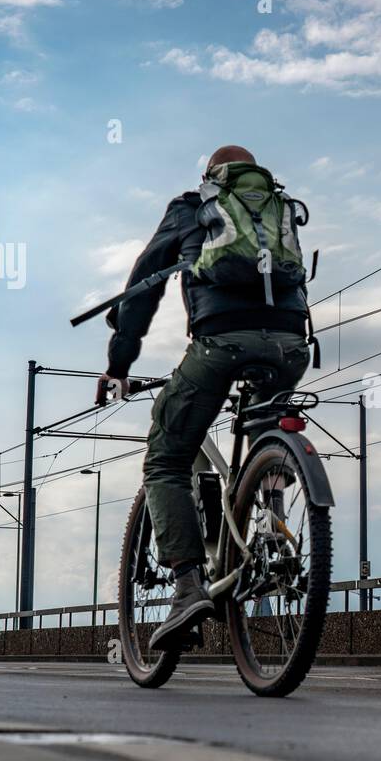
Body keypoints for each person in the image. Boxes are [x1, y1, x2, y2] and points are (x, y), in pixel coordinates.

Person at [96, 145, 313, 651]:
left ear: (210, 176)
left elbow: (144, 287)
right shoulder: (278, 210)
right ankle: (272, 520)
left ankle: (188, 587)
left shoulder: (193, 206)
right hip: (289, 346)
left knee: (166, 459)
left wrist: (118, 365)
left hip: (220, 344)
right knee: (265, 424)